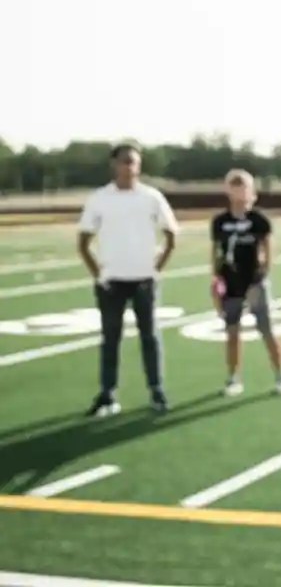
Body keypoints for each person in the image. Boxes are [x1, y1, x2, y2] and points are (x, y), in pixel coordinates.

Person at [76, 142, 178, 416]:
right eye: (125, 161)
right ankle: (108, 394)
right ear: (114, 164)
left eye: (134, 161)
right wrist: (99, 274)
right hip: (112, 282)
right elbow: (83, 241)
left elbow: (171, 235)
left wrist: (157, 268)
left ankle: (156, 390)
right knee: (110, 339)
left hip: (144, 279)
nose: (130, 167)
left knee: (150, 337)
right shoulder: (100, 198)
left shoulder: (151, 197)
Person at [210, 169, 281, 397]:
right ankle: (233, 378)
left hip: (255, 282)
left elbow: (268, 250)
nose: (239, 190)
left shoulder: (259, 220)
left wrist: (262, 276)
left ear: (251, 191)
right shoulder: (220, 221)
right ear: (227, 190)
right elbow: (215, 253)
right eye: (234, 185)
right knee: (232, 331)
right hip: (231, 283)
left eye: (243, 185)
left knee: (267, 329)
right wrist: (216, 281)